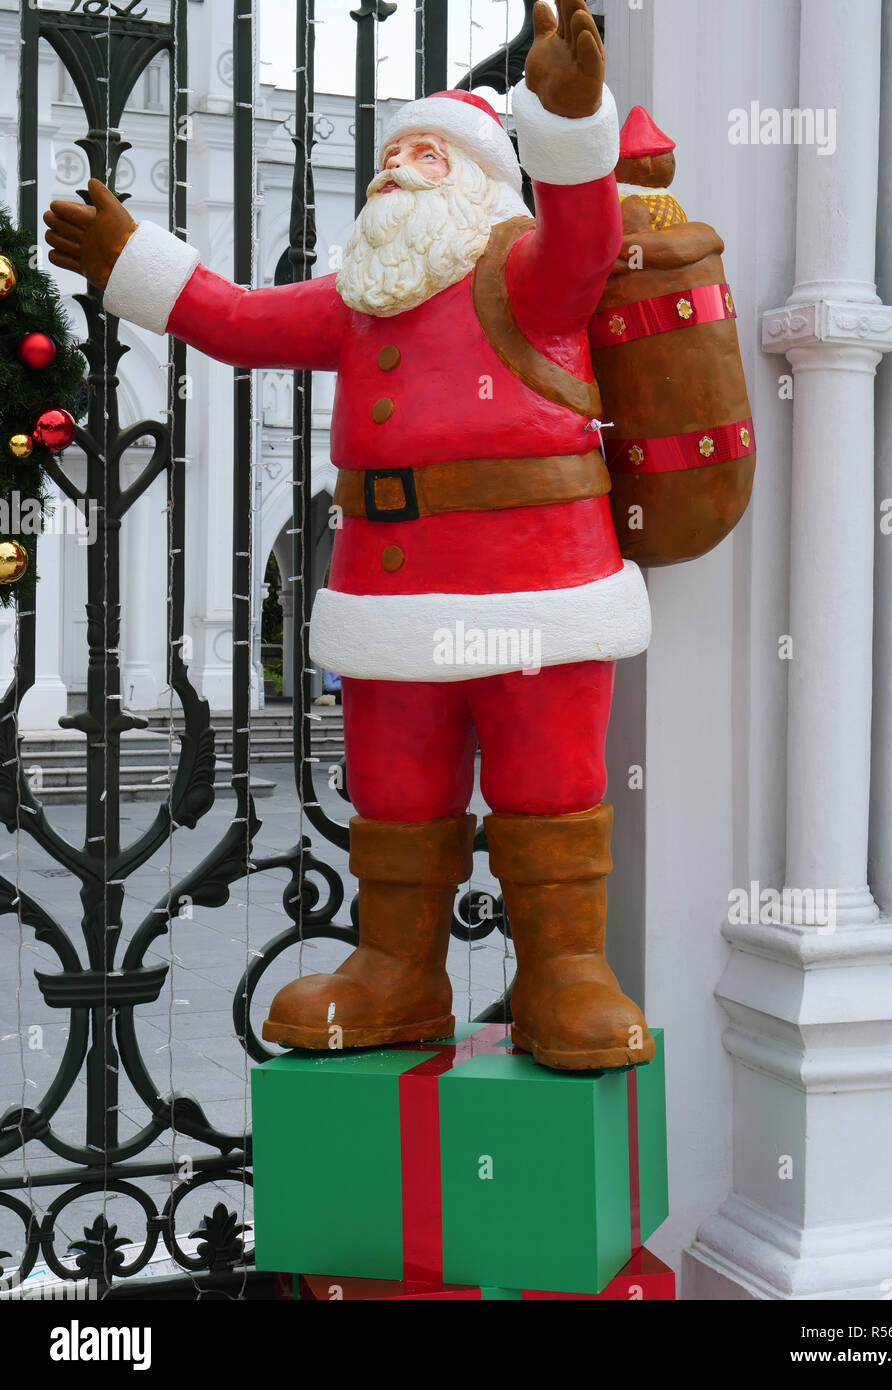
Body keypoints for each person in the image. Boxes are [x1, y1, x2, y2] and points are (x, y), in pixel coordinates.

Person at [44, 0, 652, 1071]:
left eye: (432, 152)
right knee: (397, 784)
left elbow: (589, 237)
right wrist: (132, 258)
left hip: (535, 589)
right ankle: (398, 969)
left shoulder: (526, 274)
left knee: (548, 779)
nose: (404, 169)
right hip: (389, 593)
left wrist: (567, 121)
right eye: (397, 153)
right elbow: (236, 321)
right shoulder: (357, 304)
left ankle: (565, 969)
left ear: (482, 184)